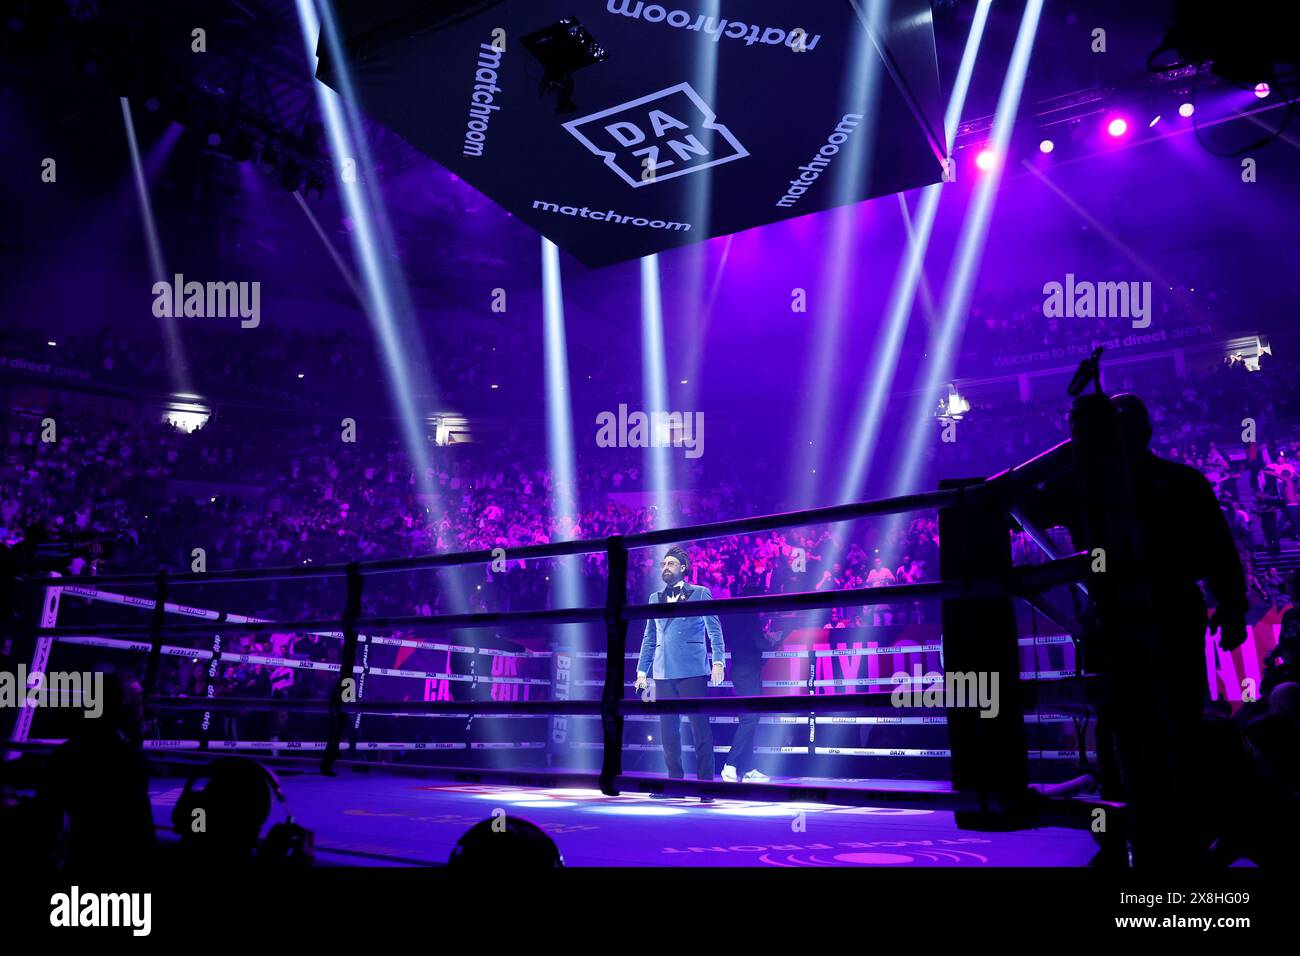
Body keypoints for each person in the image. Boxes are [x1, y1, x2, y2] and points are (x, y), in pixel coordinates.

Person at [1026, 392, 1248, 866]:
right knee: (1150, 722)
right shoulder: (1153, 481)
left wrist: (1231, 608)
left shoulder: (1091, 483)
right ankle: (1153, 831)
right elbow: (1219, 552)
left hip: (1135, 614)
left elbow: (1218, 550)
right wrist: (1230, 610)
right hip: (1147, 613)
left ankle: (1139, 832)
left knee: (1141, 723)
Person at [634, 546, 725, 792]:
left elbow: (714, 630)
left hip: (692, 670)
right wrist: (642, 672)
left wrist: (718, 662)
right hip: (663, 672)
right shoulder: (655, 598)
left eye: (671, 564)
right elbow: (649, 637)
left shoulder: (700, 593)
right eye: (663, 564)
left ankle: (706, 785)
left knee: (699, 728)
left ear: (683, 568)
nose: (666, 568)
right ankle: (675, 783)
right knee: (668, 731)